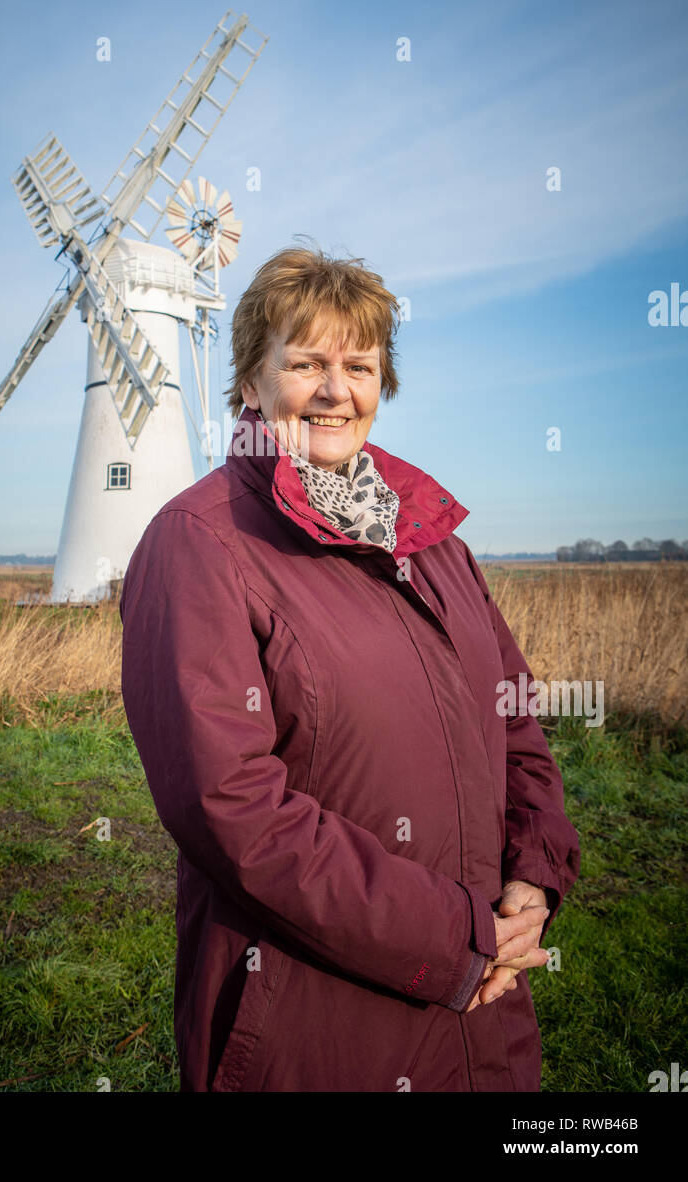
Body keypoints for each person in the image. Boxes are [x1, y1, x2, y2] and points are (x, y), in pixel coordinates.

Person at [118, 243, 581, 1092]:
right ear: (252, 385)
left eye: (359, 365)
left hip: (485, 1015)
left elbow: (515, 725)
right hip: (312, 1023)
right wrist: (454, 939)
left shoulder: (435, 541)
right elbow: (233, 809)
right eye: (306, 363)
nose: (336, 390)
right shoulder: (200, 544)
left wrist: (531, 878)